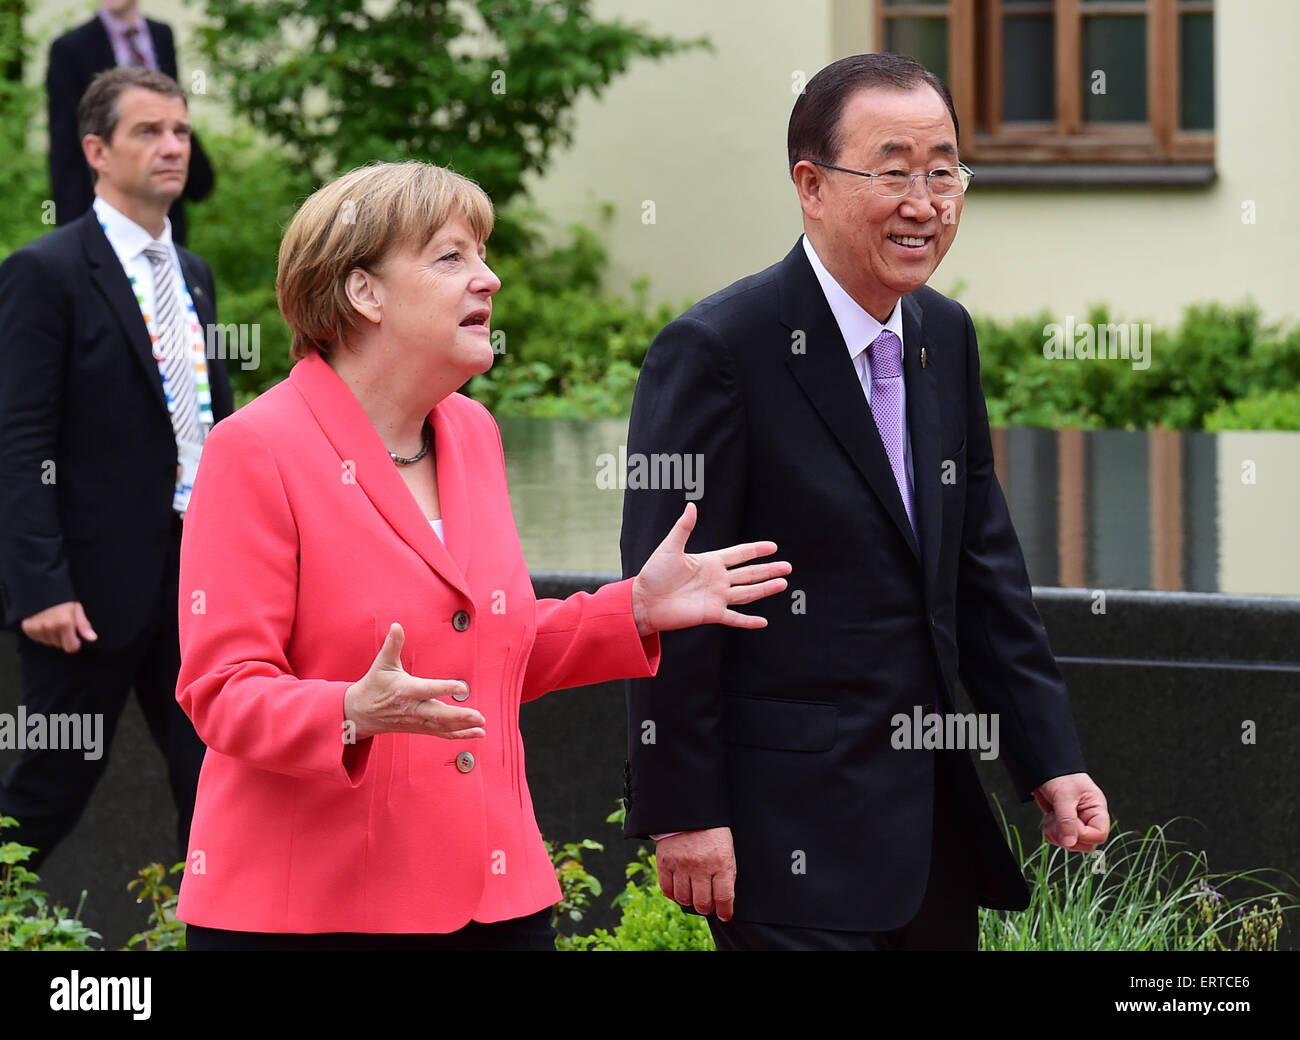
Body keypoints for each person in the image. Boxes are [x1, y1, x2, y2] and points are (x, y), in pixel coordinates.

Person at [173, 160, 790, 951]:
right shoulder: (254, 448)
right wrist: (349, 713)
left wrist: (631, 607)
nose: (489, 279)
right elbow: (221, 690)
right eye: (451, 257)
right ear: (365, 293)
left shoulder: (473, 434)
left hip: (499, 905)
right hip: (314, 916)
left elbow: (483, 651)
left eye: (483, 255)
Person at [620, 53, 1110, 951]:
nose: (925, 202)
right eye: (893, 171)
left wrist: (1049, 757)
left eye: (944, 170)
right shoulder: (718, 349)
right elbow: (666, 601)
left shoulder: (942, 334)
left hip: (930, 828)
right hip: (785, 836)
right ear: (811, 185)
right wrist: (681, 810)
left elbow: (982, 570)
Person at [0, 66, 233, 868]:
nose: (172, 146)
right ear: (96, 150)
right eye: (149, 132)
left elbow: (216, 429)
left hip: (196, 582)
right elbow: (19, 438)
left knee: (215, 781)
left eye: (180, 131)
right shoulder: (47, 272)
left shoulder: (193, 276)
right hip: (86, 594)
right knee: (44, 794)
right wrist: (41, 584)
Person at [47, 0, 214, 245]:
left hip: (166, 210)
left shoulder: (161, 34)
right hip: (105, 207)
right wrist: (73, 233)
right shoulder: (71, 47)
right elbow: (65, 148)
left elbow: (172, 109)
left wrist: (197, 174)